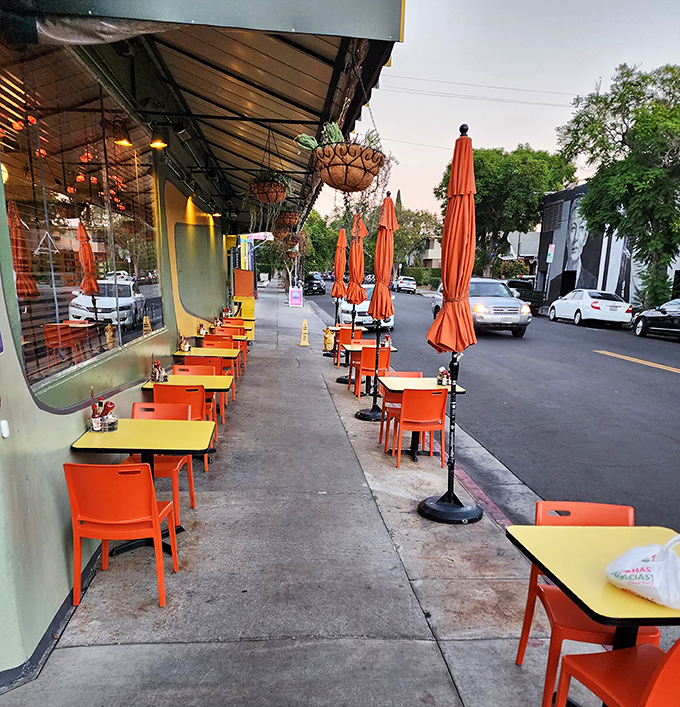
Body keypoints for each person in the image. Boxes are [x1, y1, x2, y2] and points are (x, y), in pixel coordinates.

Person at [563, 194, 597, 289]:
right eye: (573, 228)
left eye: (581, 228)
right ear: (567, 235)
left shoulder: (591, 281)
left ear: (586, 237)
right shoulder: (555, 283)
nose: (576, 237)